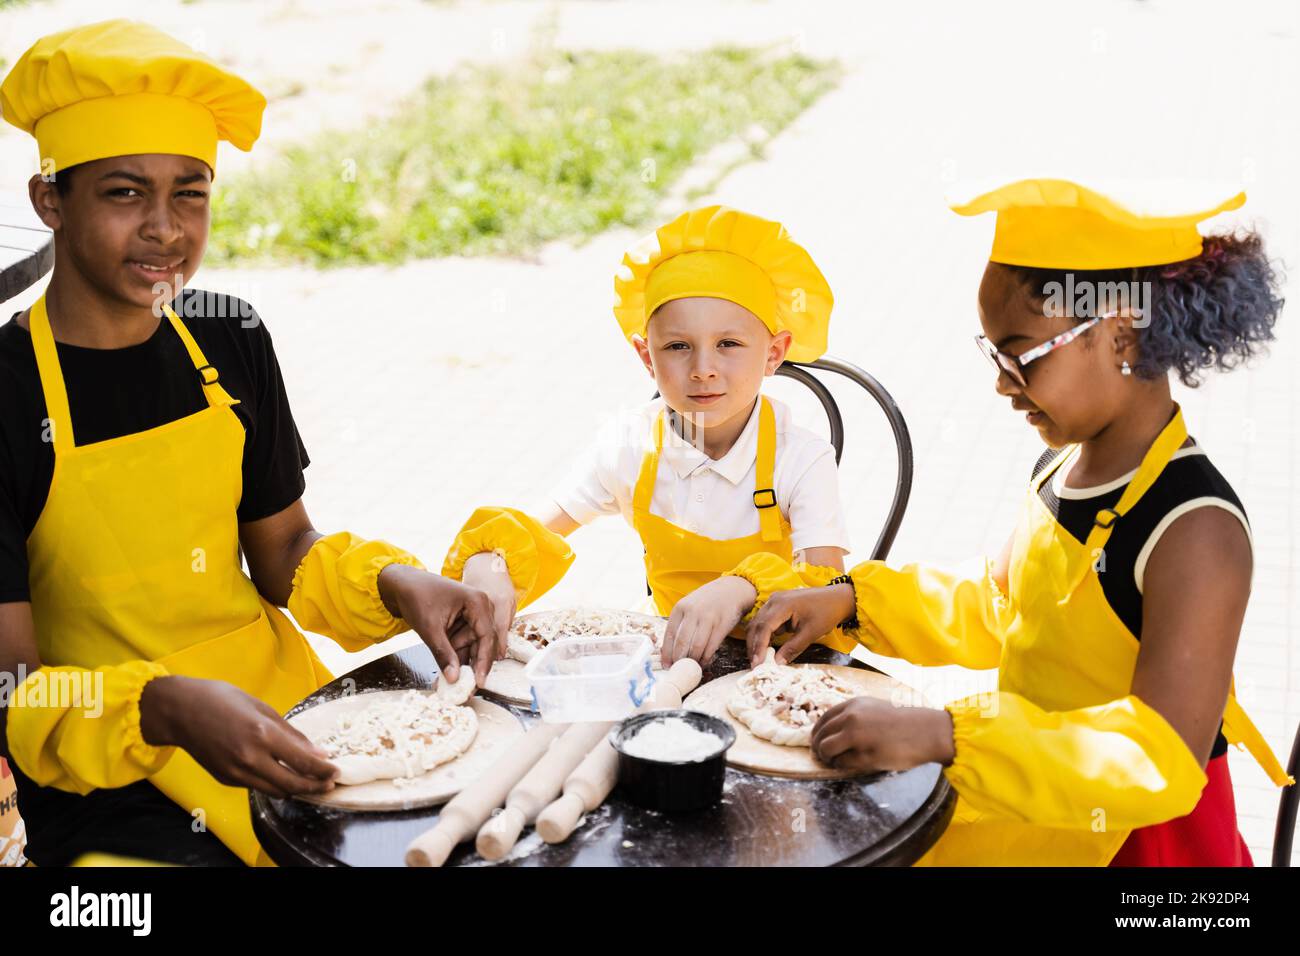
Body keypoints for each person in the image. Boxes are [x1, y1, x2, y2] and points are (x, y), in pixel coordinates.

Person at [0, 19, 566, 866]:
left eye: (190, 192)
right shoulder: (7, 390)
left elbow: (283, 551)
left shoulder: (227, 337)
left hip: (284, 713)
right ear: (52, 201)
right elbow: (14, 687)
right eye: (124, 193)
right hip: (109, 772)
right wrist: (162, 708)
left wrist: (395, 580)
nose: (164, 230)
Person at [697, 178, 1294, 865]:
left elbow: (1158, 756)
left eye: (1021, 355)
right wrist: (852, 600)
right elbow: (997, 607)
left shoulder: (1196, 528)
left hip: (1133, 841)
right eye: (994, 356)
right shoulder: (1063, 468)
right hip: (1031, 792)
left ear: (1120, 332)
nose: (1002, 384)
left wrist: (948, 735)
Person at [441, 206, 855, 666]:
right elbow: (538, 529)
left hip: (776, 666)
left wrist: (745, 586)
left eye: (729, 344)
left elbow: (826, 592)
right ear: (646, 356)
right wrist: (491, 562)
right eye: (678, 347)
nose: (703, 369)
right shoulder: (629, 444)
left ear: (774, 352)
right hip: (666, 660)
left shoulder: (801, 459)